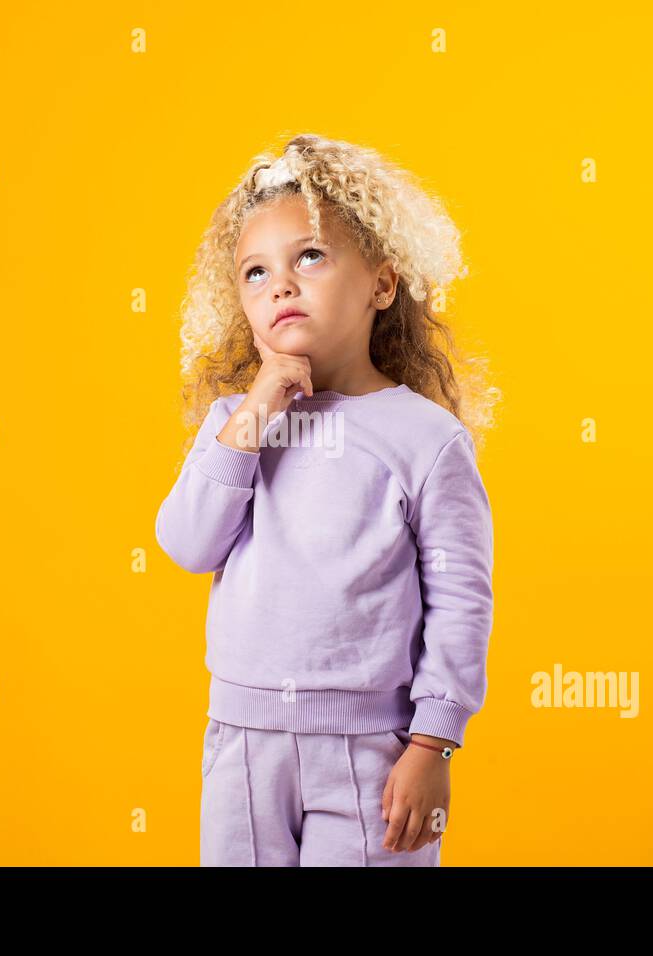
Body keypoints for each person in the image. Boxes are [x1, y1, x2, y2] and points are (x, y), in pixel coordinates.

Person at [156, 133, 498, 866]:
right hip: (242, 744)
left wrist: (432, 744)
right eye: (255, 272)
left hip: (373, 753)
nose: (280, 284)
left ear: (381, 283)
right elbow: (188, 544)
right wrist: (253, 416)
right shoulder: (236, 425)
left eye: (308, 257)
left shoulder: (425, 439)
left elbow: (462, 602)